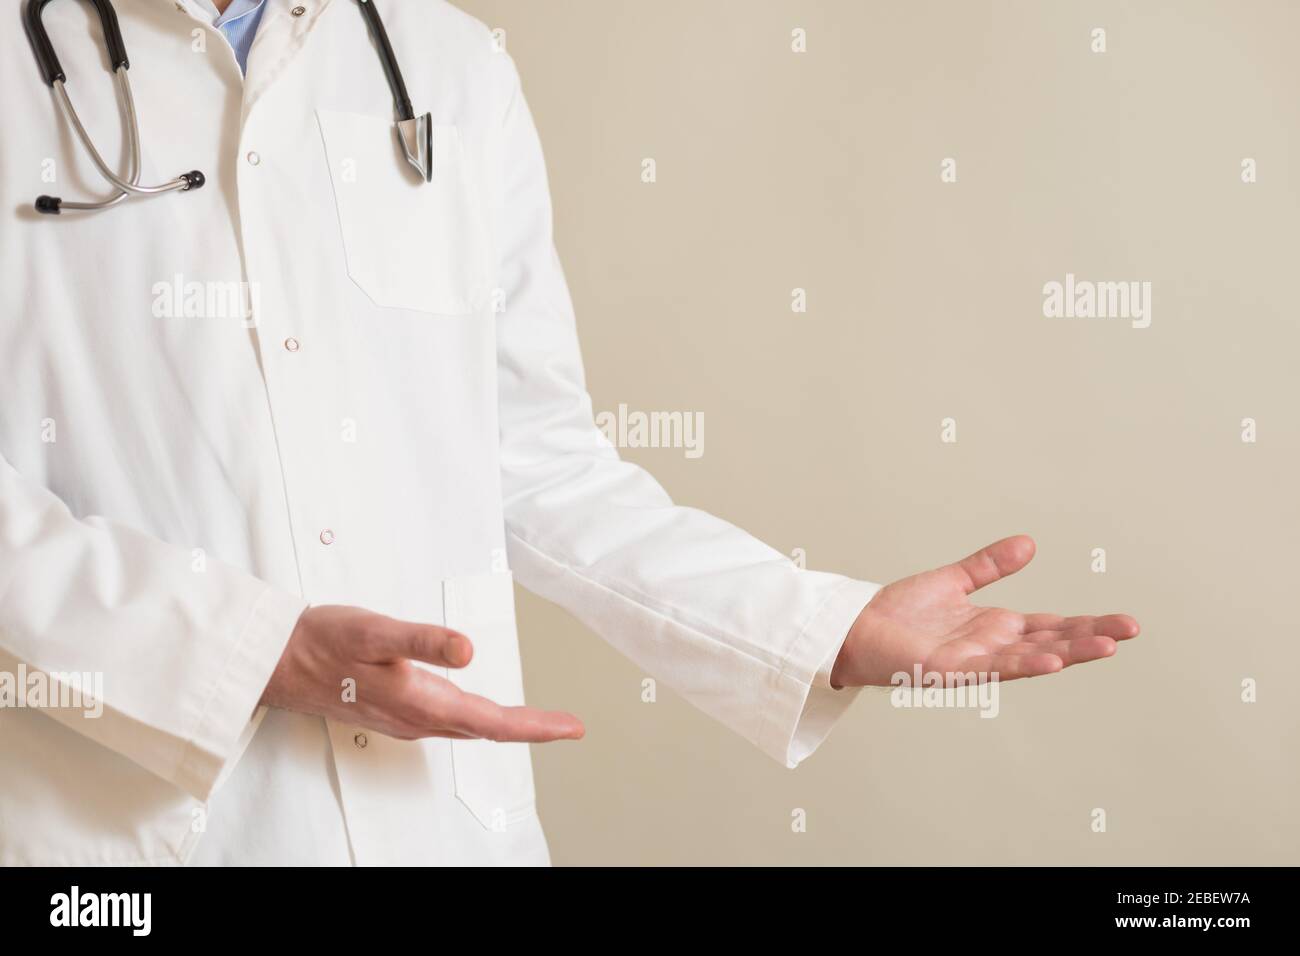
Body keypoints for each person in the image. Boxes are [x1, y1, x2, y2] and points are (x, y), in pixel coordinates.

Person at [0, 0, 1137, 866]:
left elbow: (535, 460)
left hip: (431, 825)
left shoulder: (447, 64)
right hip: (116, 834)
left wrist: (819, 626)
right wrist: (250, 651)